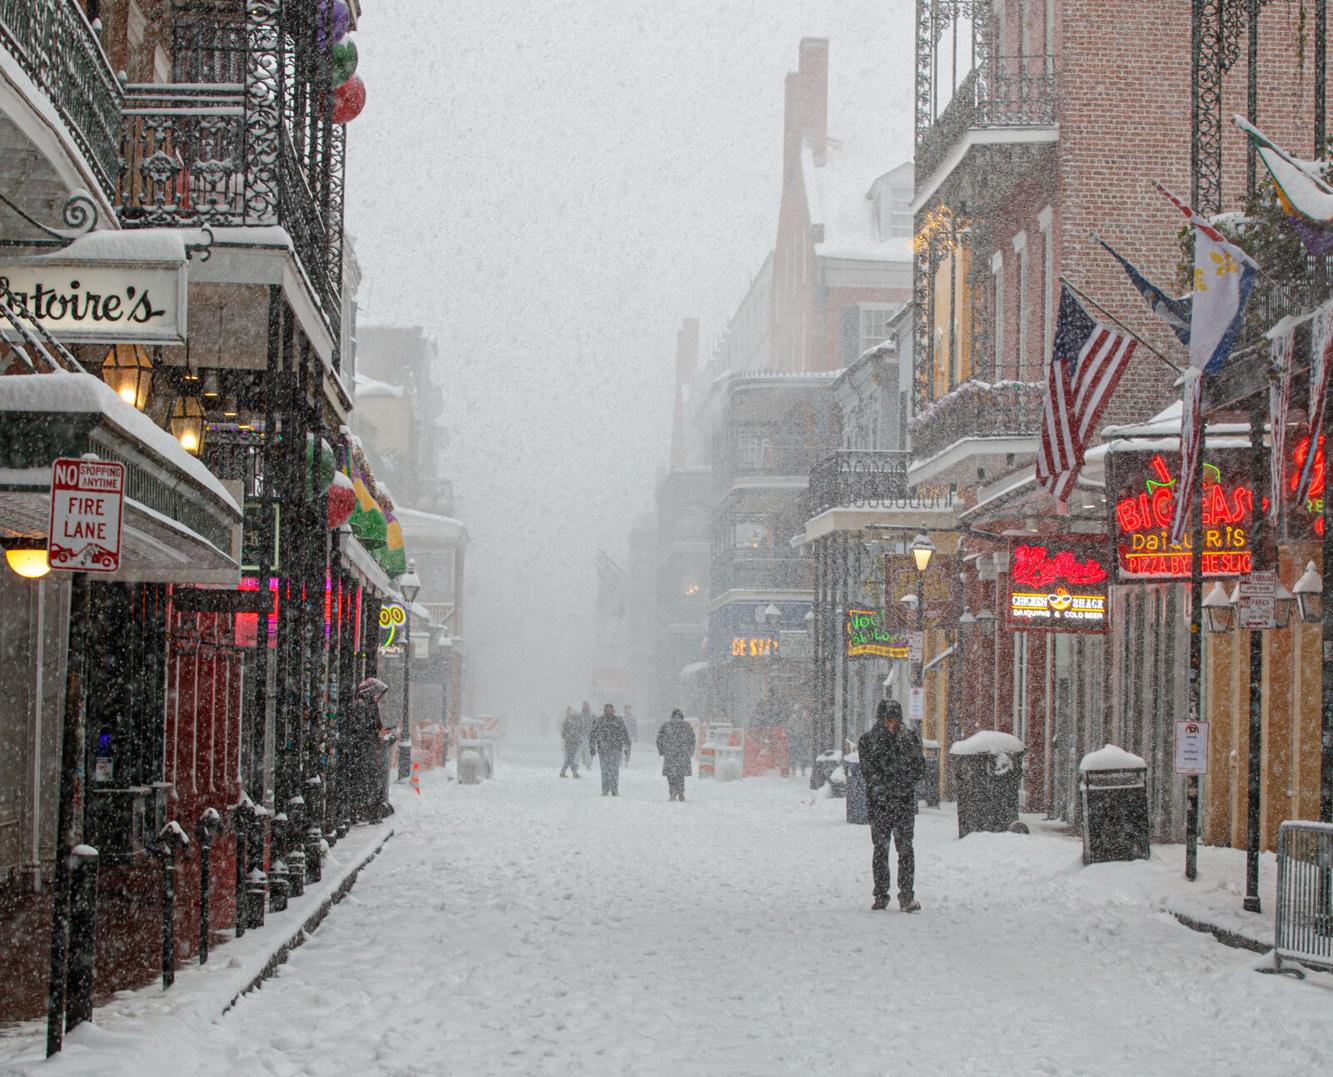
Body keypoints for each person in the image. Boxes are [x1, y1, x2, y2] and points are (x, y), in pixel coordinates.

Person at [858, 699, 925, 912]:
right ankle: (881, 893)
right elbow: (869, 772)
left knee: (905, 849)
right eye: (888, 719)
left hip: (903, 802)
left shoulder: (910, 739)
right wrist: (887, 787)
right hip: (880, 804)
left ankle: (906, 895)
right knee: (881, 849)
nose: (892, 724)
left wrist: (904, 783)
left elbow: (919, 768)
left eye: (895, 719)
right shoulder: (869, 741)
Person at [345, 677, 390, 823]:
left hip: (369, 749)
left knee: (371, 779)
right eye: (378, 693)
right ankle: (364, 810)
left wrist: (381, 732)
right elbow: (361, 729)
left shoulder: (372, 705)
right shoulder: (362, 705)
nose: (379, 696)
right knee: (366, 779)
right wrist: (375, 734)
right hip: (363, 751)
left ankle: (370, 810)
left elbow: (374, 726)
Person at [589, 703, 631, 796]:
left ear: (613, 710)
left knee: (614, 770)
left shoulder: (618, 721)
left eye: (610, 709)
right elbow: (593, 735)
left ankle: (614, 789)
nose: (608, 711)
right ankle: (605, 789)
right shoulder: (599, 721)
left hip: (615, 748)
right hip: (603, 749)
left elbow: (624, 734)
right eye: (606, 709)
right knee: (605, 770)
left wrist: (627, 746)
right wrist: (592, 746)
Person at [656, 708, 696, 801]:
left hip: (670, 753)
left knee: (671, 775)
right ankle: (681, 792)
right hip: (683, 754)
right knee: (680, 775)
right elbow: (692, 740)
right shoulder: (687, 726)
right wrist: (690, 751)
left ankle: (672, 792)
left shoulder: (666, 725)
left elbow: (659, 739)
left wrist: (662, 751)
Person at [559, 706, 582, 778]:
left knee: (570, 758)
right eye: (573, 713)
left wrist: (578, 738)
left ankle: (563, 772)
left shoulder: (577, 721)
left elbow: (579, 731)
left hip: (575, 742)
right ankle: (574, 773)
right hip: (569, 741)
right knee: (571, 758)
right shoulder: (568, 721)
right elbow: (563, 732)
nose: (574, 714)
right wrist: (567, 736)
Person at [577, 701, 594, 771]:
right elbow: (577, 725)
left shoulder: (592, 715)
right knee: (578, 752)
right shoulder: (579, 715)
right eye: (584, 705)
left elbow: (594, 725)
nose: (585, 706)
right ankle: (576, 765)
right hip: (581, 736)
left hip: (589, 736)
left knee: (588, 752)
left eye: (586, 705)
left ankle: (588, 765)